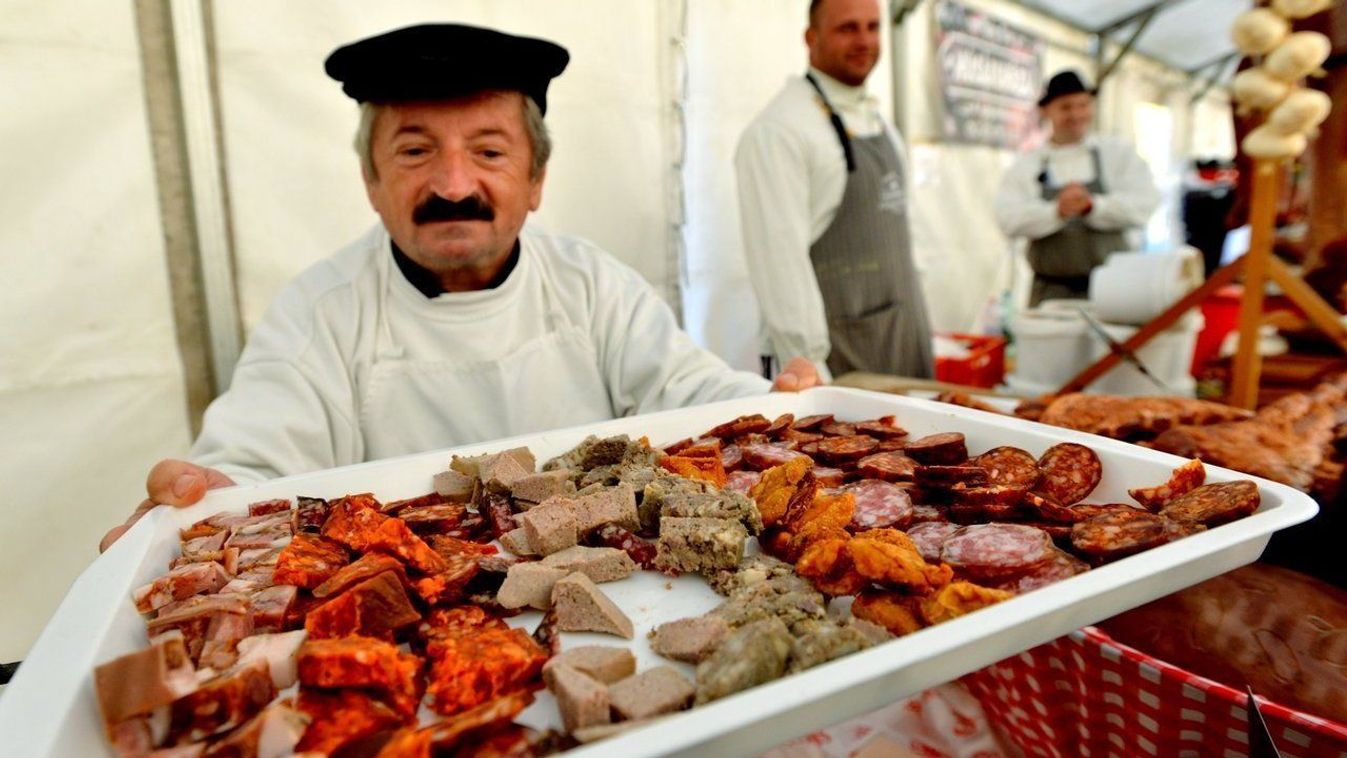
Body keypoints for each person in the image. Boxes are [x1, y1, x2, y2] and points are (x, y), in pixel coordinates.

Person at [101, 23, 820, 550]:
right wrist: (203, 500)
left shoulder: (592, 285)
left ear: (535, 181)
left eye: (488, 151)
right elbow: (252, 458)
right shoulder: (321, 312)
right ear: (371, 182)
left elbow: (693, 396)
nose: (452, 184)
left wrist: (778, 408)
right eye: (415, 152)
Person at [735, 0, 934, 382]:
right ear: (811, 38)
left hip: (903, 337)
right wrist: (810, 367)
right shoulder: (780, 132)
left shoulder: (877, 120)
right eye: (848, 28)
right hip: (837, 357)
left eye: (873, 27)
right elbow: (780, 263)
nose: (865, 40)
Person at [995, 70, 1160, 306]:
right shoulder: (1027, 165)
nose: (1076, 114)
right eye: (1065, 107)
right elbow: (1007, 219)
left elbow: (1146, 204)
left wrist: (1095, 207)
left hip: (1115, 290)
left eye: (1083, 105)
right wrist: (1056, 212)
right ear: (1046, 110)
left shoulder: (1117, 153)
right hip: (1050, 293)